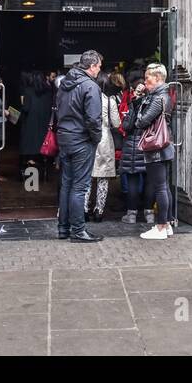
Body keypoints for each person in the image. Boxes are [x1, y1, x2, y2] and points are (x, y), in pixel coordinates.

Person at [53, 50, 105, 243]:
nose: (100, 70)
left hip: (65, 138)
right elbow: (93, 119)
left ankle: (63, 228)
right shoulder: (90, 86)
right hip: (82, 140)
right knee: (79, 187)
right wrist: (96, 138)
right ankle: (78, 230)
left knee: (67, 184)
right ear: (91, 66)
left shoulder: (64, 84)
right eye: (99, 66)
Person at [131, 63, 176, 241]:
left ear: (157, 78)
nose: (145, 81)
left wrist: (138, 100)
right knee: (164, 186)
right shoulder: (163, 95)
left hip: (156, 148)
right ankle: (168, 223)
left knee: (160, 188)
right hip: (164, 147)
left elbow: (141, 122)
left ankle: (161, 226)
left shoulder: (158, 98)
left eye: (148, 78)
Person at [85, 72, 121, 222]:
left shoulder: (86, 98)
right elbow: (117, 123)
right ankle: (99, 211)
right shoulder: (109, 100)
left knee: (86, 177)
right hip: (104, 139)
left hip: (88, 138)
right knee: (103, 178)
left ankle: (84, 210)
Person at [118, 67, 148, 225]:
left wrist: (134, 102)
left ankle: (131, 215)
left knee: (133, 181)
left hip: (133, 145)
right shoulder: (154, 99)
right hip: (150, 144)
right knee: (150, 180)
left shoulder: (134, 102)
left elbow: (127, 125)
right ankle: (149, 214)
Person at [17, 70, 53, 181]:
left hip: (30, 126)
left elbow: (26, 108)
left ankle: (30, 181)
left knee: (29, 152)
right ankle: (44, 175)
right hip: (44, 126)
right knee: (42, 152)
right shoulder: (49, 91)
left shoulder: (28, 91)